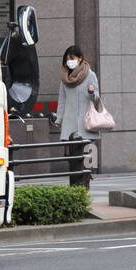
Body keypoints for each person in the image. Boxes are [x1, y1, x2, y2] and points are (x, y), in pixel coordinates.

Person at [54, 45, 101, 189]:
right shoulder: (64, 78)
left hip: (86, 124)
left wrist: (92, 92)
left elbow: (97, 99)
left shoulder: (90, 75)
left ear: (80, 59)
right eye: (67, 58)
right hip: (69, 125)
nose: (69, 61)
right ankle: (75, 188)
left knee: (87, 159)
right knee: (72, 160)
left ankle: (85, 184)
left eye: (72, 58)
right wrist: (58, 119)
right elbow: (62, 100)